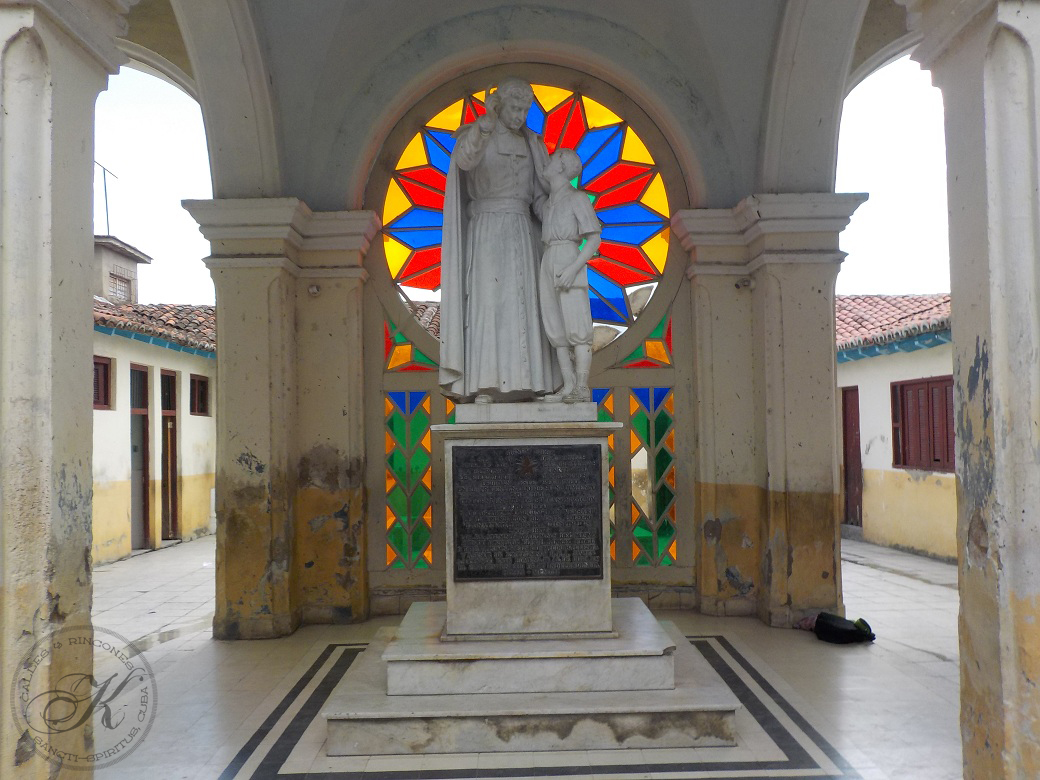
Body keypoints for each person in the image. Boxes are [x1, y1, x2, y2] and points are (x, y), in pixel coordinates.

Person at [439, 78, 558, 403]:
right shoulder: (479, 135)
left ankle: (532, 383)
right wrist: (484, 125)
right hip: (488, 230)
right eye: (514, 108)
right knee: (490, 305)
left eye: (524, 110)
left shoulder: (532, 144)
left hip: (522, 230)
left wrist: (556, 218)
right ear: (499, 105)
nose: (519, 116)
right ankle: (485, 384)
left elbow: (538, 195)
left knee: (526, 304)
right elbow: (465, 161)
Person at [538, 148, 601, 403]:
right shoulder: (548, 203)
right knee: (555, 327)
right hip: (548, 259)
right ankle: (568, 384)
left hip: (568, 258)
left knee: (578, 326)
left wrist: (574, 269)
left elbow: (593, 238)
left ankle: (582, 386)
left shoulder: (577, 198)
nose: (548, 160)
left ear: (562, 167)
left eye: (553, 158)